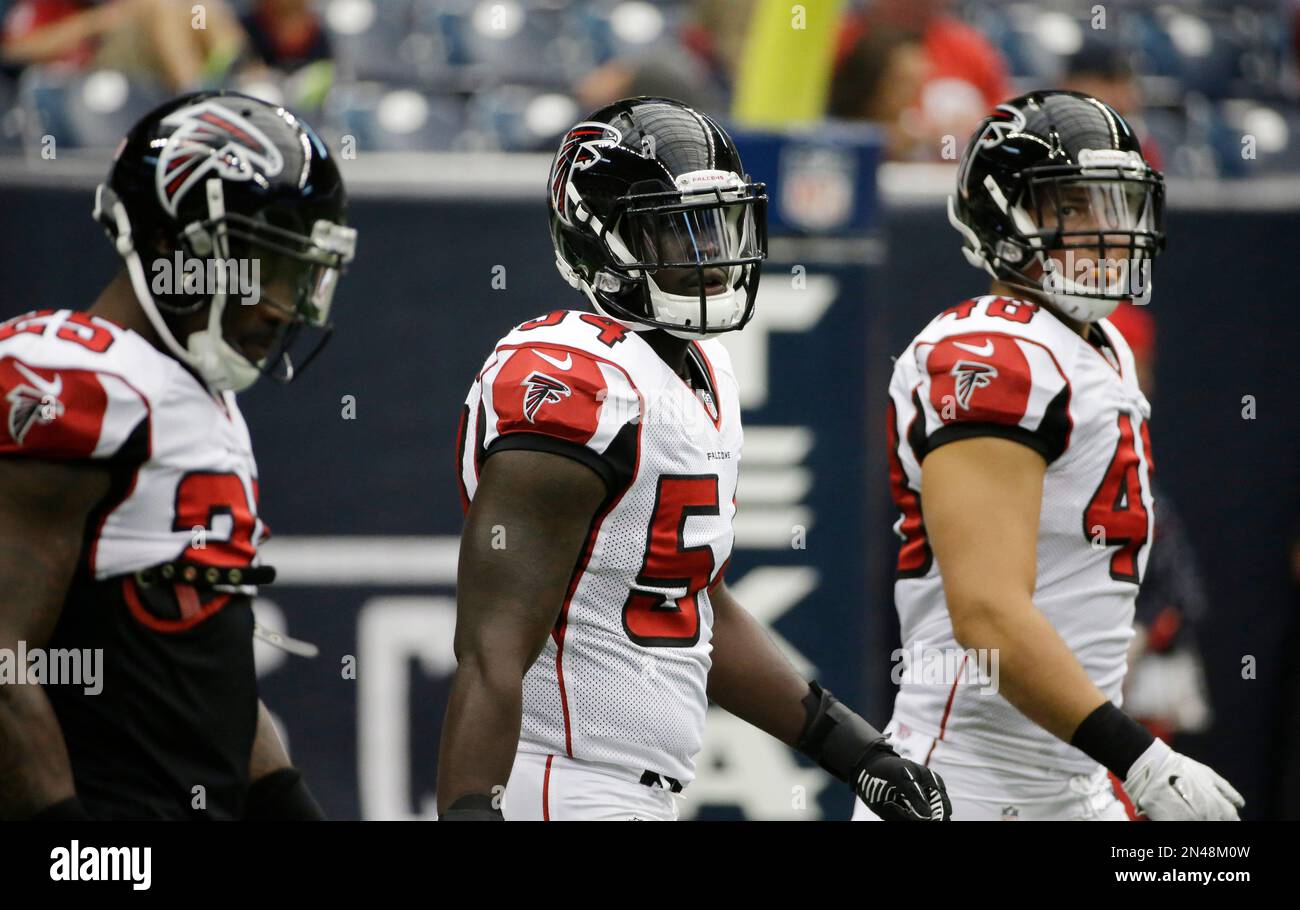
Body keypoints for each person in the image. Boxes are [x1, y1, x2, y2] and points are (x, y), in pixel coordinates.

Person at [437, 97, 950, 822]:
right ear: (603, 243)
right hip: (559, 780)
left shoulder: (701, 370)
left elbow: (688, 600)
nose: (709, 254)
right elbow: (493, 649)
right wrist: (468, 810)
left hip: (630, 792)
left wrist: (858, 752)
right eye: (676, 232)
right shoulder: (568, 379)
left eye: (715, 224)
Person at [858, 90, 1242, 821]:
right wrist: (1142, 756)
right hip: (968, 785)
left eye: (1112, 206)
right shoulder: (993, 353)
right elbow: (988, 614)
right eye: (1071, 208)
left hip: (1067, 781)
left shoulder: (1102, 346)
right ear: (1002, 220)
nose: (1103, 230)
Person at [0, 91, 356, 820]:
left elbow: (200, 664)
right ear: (175, 245)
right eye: (261, 267)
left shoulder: (197, 398)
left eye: (298, 277)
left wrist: (288, 806)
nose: (280, 308)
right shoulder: (67, 380)